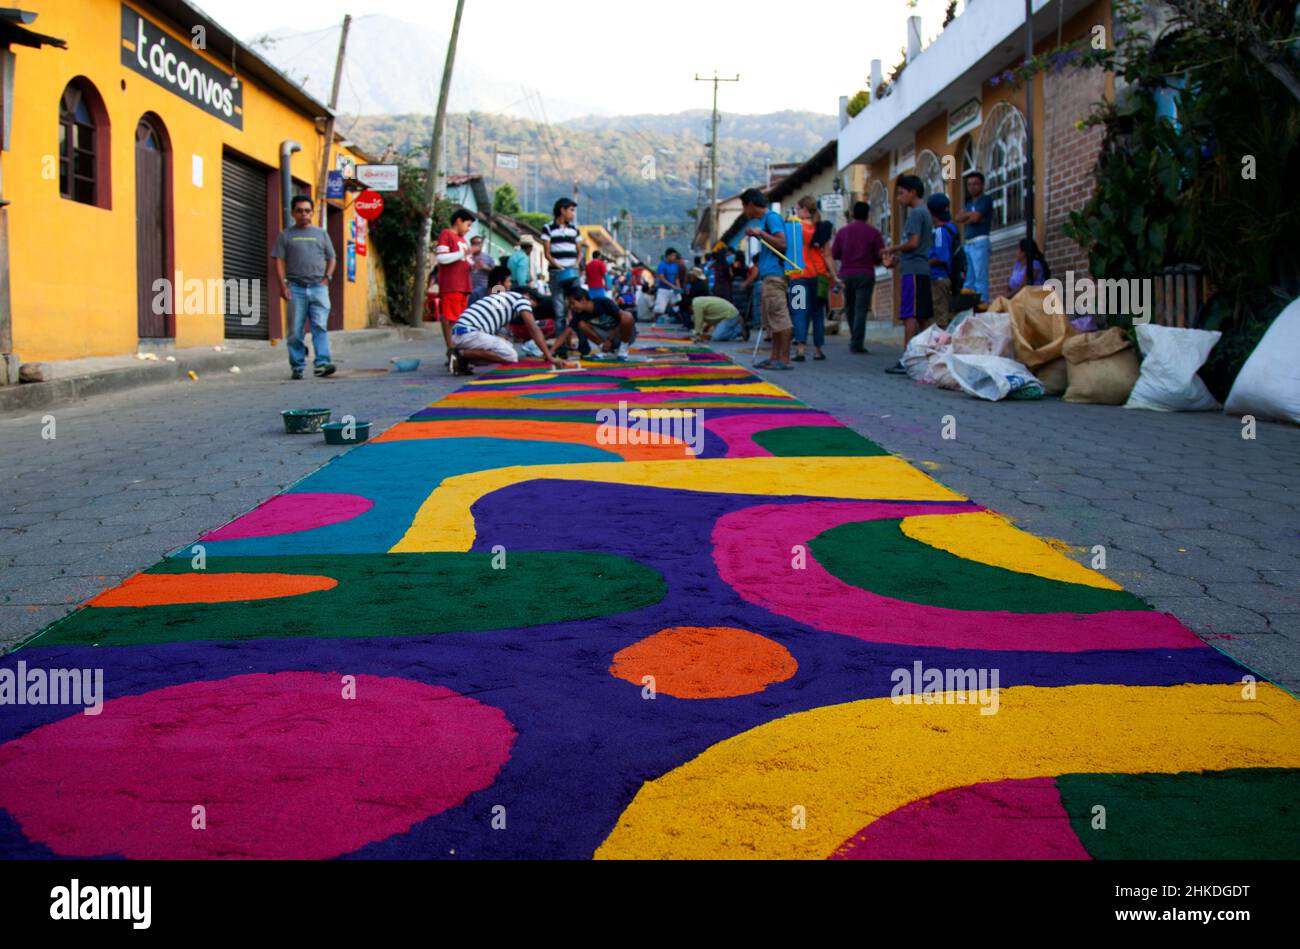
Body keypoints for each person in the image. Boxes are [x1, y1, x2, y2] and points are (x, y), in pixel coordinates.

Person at [447, 269, 562, 375]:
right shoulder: (521, 299)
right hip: (469, 333)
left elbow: (495, 323)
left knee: (506, 347)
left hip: (461, 333)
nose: (531, 309)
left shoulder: (504, 299)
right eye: (534, 304)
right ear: (528, 296)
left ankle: (463, 359)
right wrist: (549, 356)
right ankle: (461, 354)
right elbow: (533, 328)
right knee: (510, 355)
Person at [273, 195, 337, 380]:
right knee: (295, 330)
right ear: (293, 213)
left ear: (312, 212)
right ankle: (297, 366)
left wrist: (327, 278)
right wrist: (283, 286)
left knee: (320, 326)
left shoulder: (321, 234)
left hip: (319, 287)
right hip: (296, 288)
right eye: (299, 211)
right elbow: (278, 261)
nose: (303, 214)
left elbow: (331, 257)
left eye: (307, 210)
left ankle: (322, 364)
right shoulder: (285, 235)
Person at [883, 174, 933, 374]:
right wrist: (897, 259)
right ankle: (928, 355)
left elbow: (913, 243)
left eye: (901, 193)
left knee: (910, 314)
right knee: (922, 316)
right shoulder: (925, 212)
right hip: (918, 268)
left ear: (913, 192)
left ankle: (908, 358)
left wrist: (893, 249)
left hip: (913, 270)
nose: (898, 198)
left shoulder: (916, 213)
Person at [740, 188, 793, 370]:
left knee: (780, 317)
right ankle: (774, 357)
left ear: (751, 205)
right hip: (769, 276)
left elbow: (782, 243)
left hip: (775, 274)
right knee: (772, 319)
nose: (744, 211)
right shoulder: (765, 220)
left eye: (744, 206)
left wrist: (760, 234)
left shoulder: (771, 218)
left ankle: (784, 359)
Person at [830, 200, 886, 354]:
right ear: (868, 215)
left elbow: (834, 253)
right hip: (865, 274)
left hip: (846, 274)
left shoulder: (842, 232)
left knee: (850, 307)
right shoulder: (874, 233)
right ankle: (857, 343)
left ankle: (854, 338)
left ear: (853, 214)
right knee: (861, 309)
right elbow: (879, 256)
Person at [541, 197, 586, 355]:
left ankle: (582, 343)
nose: (572, 214)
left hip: (572, 273)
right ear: (562, 210)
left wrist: (576, 263)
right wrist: (558, 265)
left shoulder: (575, 229)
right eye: (571, 210)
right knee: (560, 312)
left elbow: (580, 252)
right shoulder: (548, 228)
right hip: (556, 273)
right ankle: (562, 348)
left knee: (579, 308)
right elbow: (547, 253)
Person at [789, 195, 830, 362]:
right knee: (817, 313)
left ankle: (800, 350)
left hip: (798, 276)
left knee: (799, 312)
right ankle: (818, 350)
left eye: (797, 208)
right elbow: (827, 254)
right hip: (818, 276)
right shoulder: (822, 228)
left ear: (804, 209)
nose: (796, 211)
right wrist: (833, 276)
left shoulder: (793, 227)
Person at [434, 207, 476, 363]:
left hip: (463, 286)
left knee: (460, 321)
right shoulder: (446, 234)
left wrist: (472, 263)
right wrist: (463, 254)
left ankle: (458, 351)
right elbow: (442, 258)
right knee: (451, 321)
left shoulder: (462, 240)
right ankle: (452, 351)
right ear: (459, 221)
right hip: (452, 285)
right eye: (468, 224)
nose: (468, 229)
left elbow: (464, 260)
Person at [560, 285, 635, 358]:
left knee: (627, 316)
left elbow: (620, 321)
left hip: (622, 334)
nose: (572, 307)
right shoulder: (579, 314)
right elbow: (566, 332)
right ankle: (606, 350)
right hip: (606, 338)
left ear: (582, 299)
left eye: (573, 303)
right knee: (581, 324)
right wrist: (550, 354)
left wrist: (610, 339)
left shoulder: (603, 302)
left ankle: (623, 349)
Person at [953, 171, 992, 303]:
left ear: (982, 185)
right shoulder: (968, 203)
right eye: (969, 184)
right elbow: (958, 217)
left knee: (980, 276)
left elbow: (976, 218)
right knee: (969, 278)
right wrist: (969, 216)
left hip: (980, 241)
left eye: (975, 184)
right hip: (968, 243)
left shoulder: (986, 200)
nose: (972, 187)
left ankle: (983, 304)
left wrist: (968, 217)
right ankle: (970, 305)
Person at [926, 193, 960, 329]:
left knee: (939, 318)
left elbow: (941, 257)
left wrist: (924, 262)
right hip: (947, 277)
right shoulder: (952, 228)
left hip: (938, 278)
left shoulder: (940, 231)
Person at [654, 249, 685, 321]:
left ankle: (682, 322)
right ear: (667, 256)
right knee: (660, 309)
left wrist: (678, 287)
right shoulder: (662, 265)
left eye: (675, 256)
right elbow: (662, 278)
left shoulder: (675, 265)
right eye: (672, 255)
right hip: (663, 289)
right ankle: (653, 322)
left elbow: (676, 278)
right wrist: (672, 286)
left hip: (673, 289)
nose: (674, 257)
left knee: (678, 305)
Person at [468, 236, 495, 302]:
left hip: (482, 289)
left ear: (482, 244)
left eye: (478, 243)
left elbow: (495, 274)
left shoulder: (488, 258)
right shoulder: (466, 256)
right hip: (468, 290)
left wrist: (484, 267)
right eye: (474, 243)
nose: (476, 245)